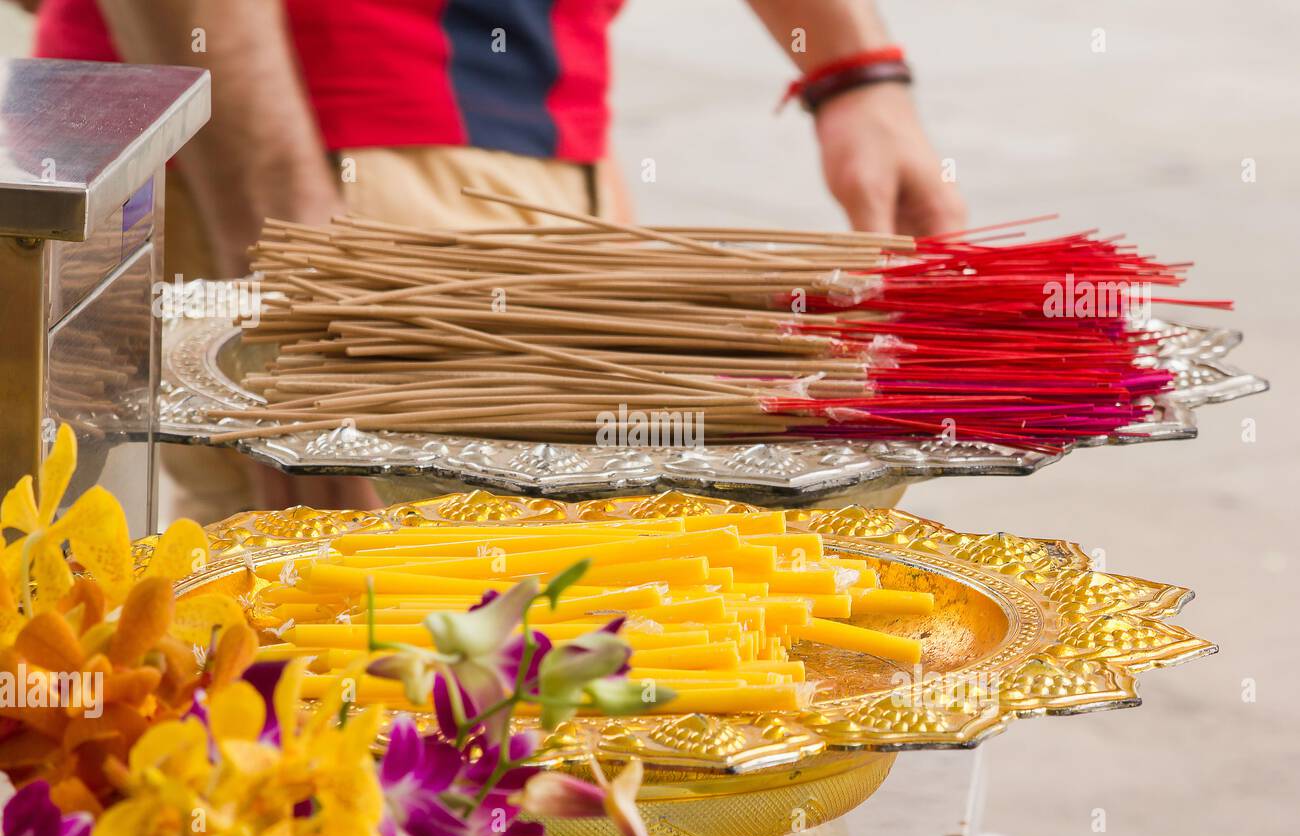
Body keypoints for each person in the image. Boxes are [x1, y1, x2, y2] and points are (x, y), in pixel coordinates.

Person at [26, 0, 965, 521]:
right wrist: (308, 288)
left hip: (481, 149)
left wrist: (852, 70)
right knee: (411, 699)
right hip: (339, 157)